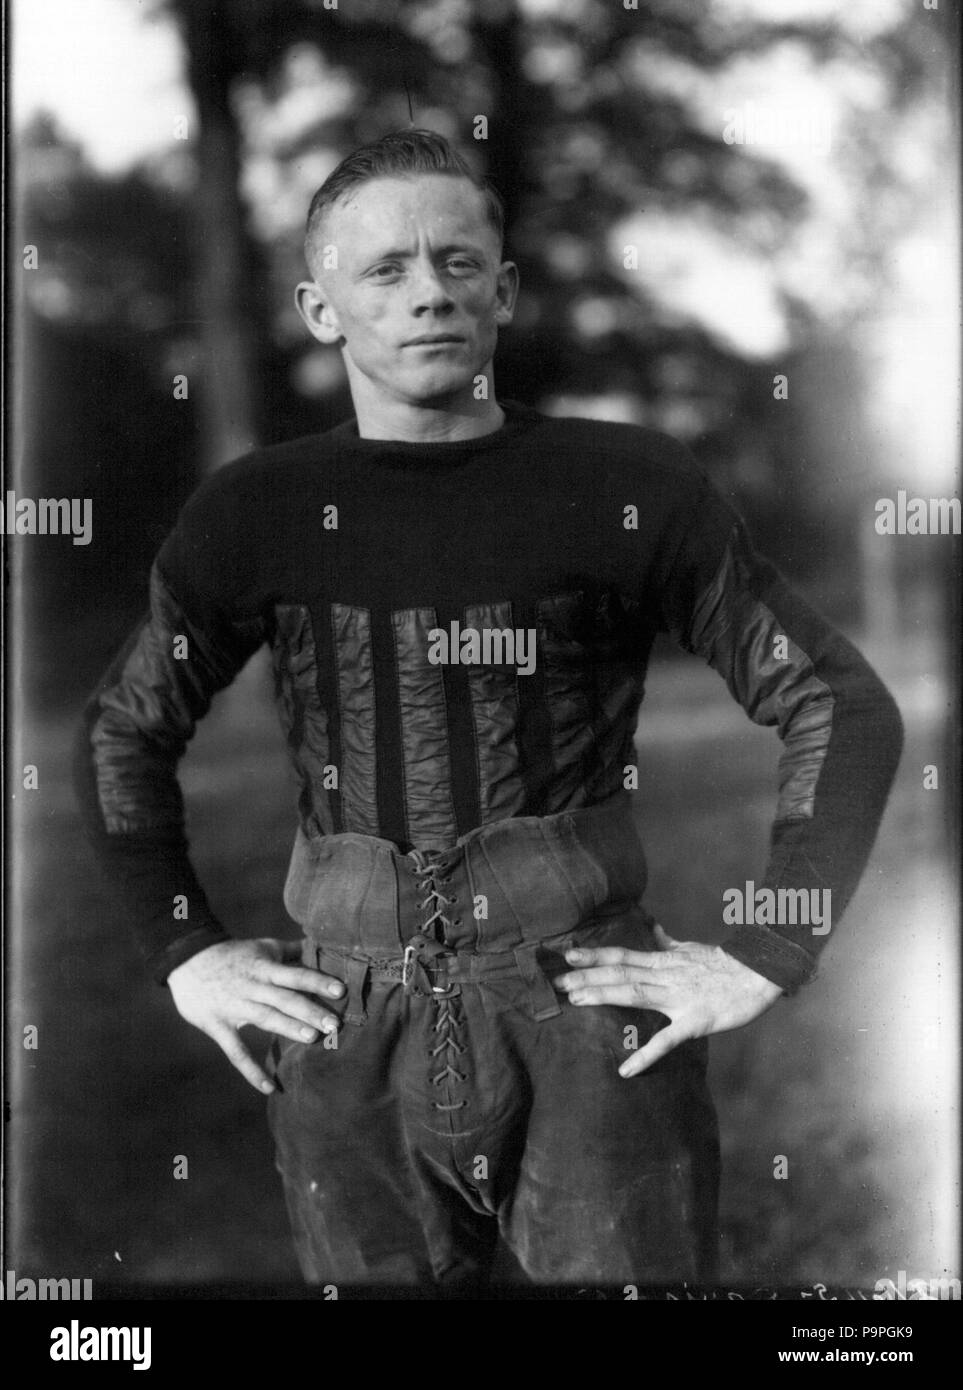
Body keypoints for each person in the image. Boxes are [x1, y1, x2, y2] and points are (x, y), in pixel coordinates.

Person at [75, 129, 903, 1292]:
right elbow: (126, 730)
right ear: (322, 310)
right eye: (387, 271)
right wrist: (183, 949)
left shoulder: (625, 488)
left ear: (502, 290)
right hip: (346, 1031)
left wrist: (772, 950)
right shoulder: (254, 512)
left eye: (458, 262)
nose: (430, 293)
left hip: (582, 1014)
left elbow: (837, 702)